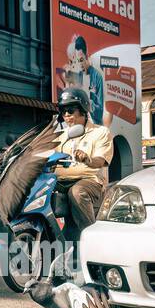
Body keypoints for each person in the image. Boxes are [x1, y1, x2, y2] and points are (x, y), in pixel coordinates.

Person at [54, 85, 114, 232]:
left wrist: (87, 159)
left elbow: (100, 161)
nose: (66, 115)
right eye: (63, 111)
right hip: (60, 182)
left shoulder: (100, 132)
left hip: (89, 182)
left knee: (77, 192)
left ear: (82, 110)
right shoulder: (60, 136)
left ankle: (90, 237)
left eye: (70, 110)